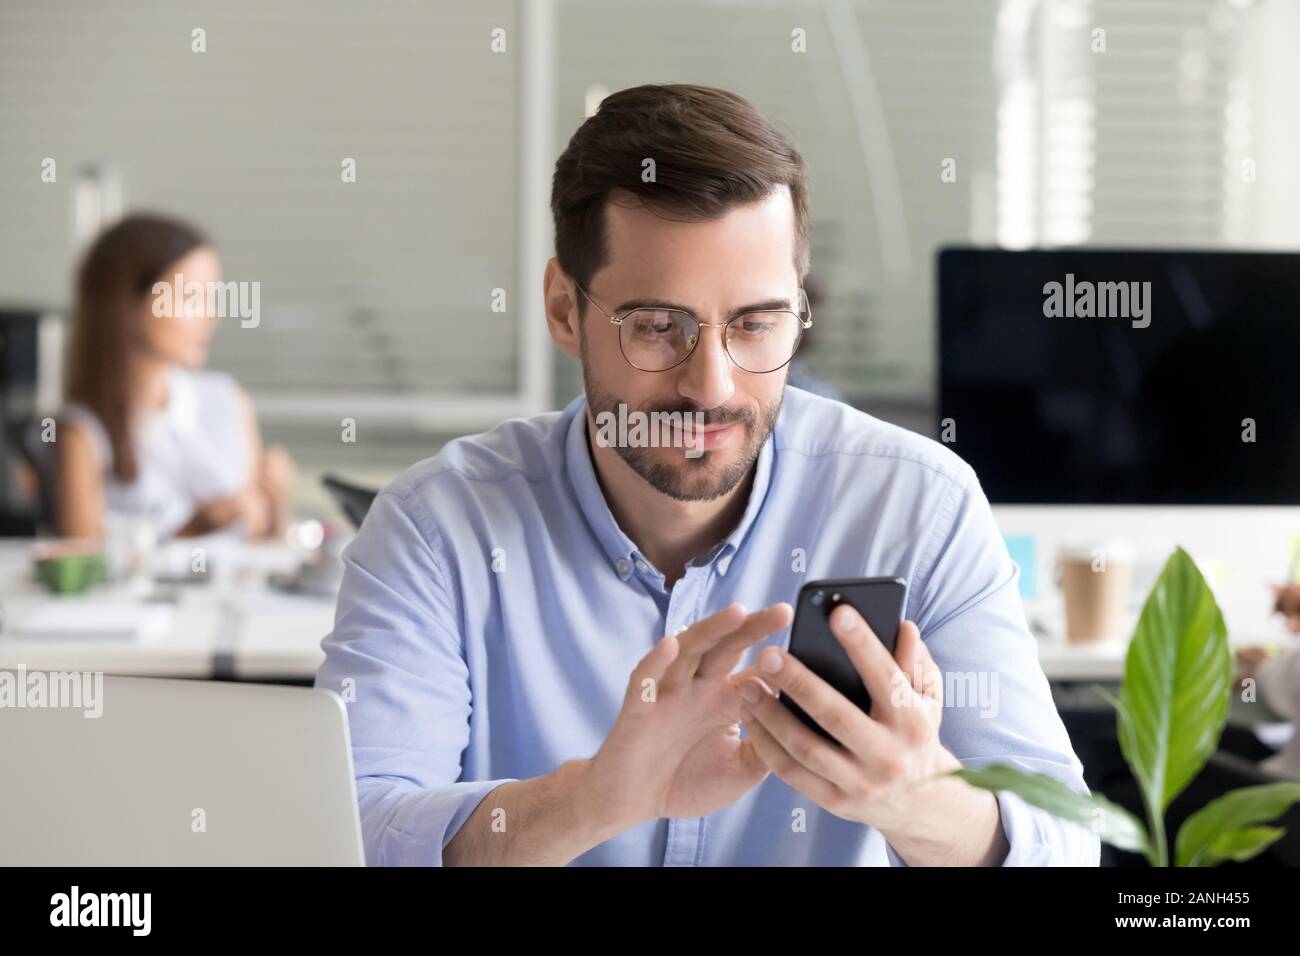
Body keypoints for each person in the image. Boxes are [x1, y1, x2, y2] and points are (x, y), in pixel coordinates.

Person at [315, 84, 1099, 866]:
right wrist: (594, 800)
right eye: (658, 327)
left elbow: (1064, 848)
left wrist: (919, 803)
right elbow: (345, 837)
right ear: (563, 309)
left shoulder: (918, 508)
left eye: (756, 325)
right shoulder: (437, 527)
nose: (713, 387)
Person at [55, 213, 294, 542]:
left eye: (211, 298)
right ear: (128, 302)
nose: (209, 317)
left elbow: (261, 545)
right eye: (190, 298)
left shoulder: (228, 400)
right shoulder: (83, 433)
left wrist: (276, 503)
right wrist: (186, 533)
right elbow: (83, 568)